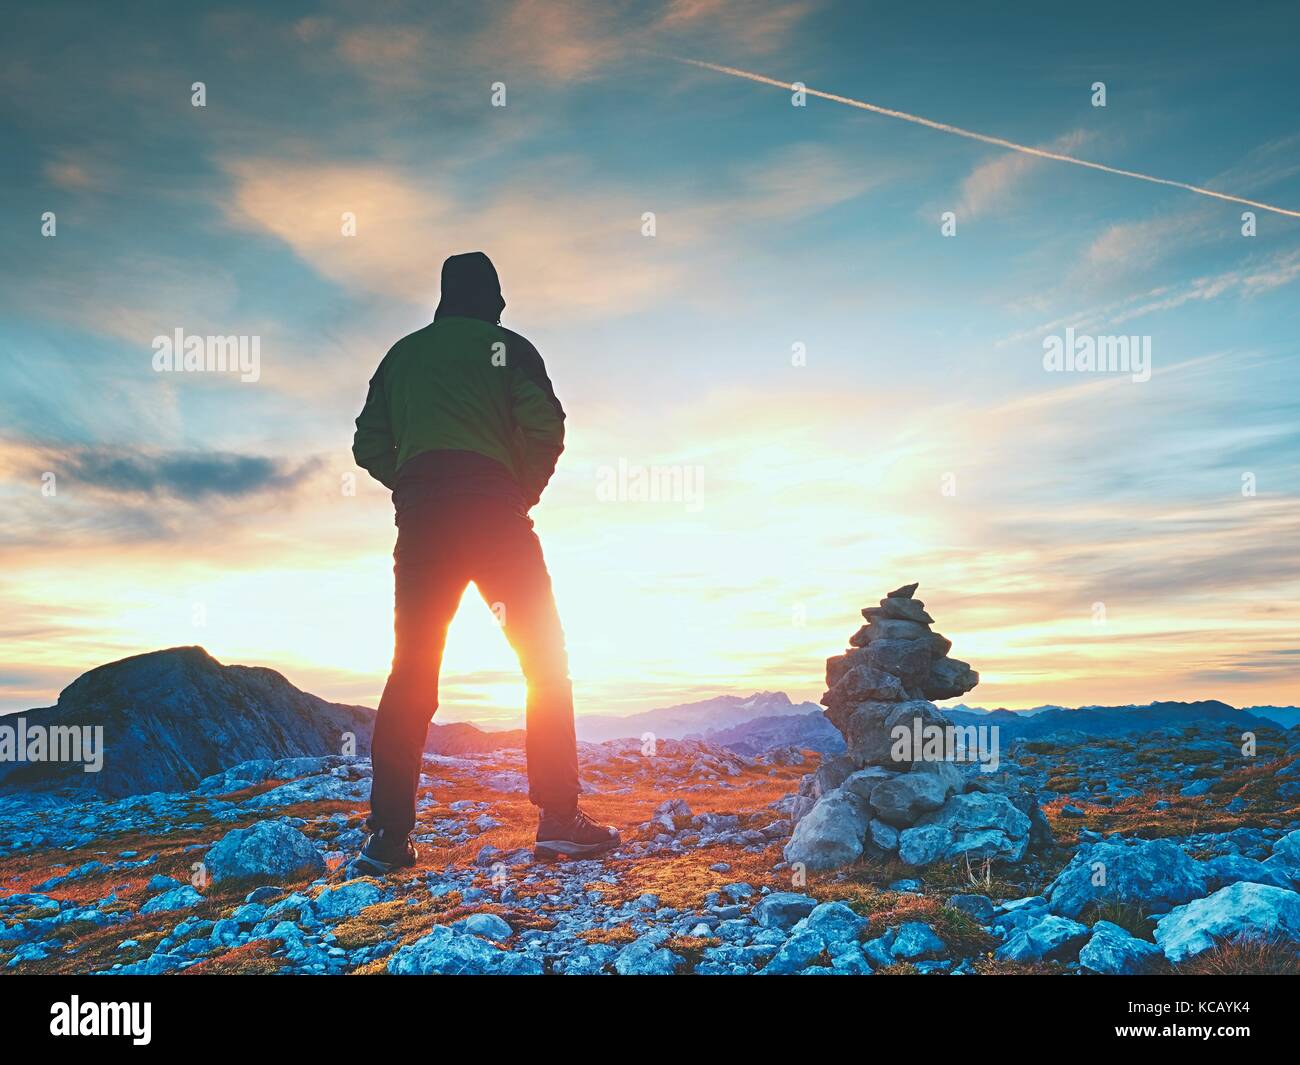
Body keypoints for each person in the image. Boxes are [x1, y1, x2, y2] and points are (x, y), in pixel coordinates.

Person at [350, 251, 619, 872]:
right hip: (496, 515)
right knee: (543, 660)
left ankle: (388, 841)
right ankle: (558, 821)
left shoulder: (401, 356)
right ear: (493, 299)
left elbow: (367, 440)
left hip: (423, 526)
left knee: (412, 675)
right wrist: (517, 488)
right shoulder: (507, 347)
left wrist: (412, 481)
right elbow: (546, 426)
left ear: (442, 299)